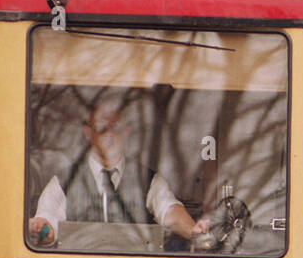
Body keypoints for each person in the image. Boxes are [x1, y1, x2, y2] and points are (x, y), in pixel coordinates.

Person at [28, 90, 209, 246]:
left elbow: (169, 210)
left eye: (116, 128)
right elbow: (47, 224)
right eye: (101, 128)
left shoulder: (147, 180)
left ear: (126, 131)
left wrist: (195, 232)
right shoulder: (64, 181)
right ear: (88, 132)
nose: (109, 135)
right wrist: (42, 229)